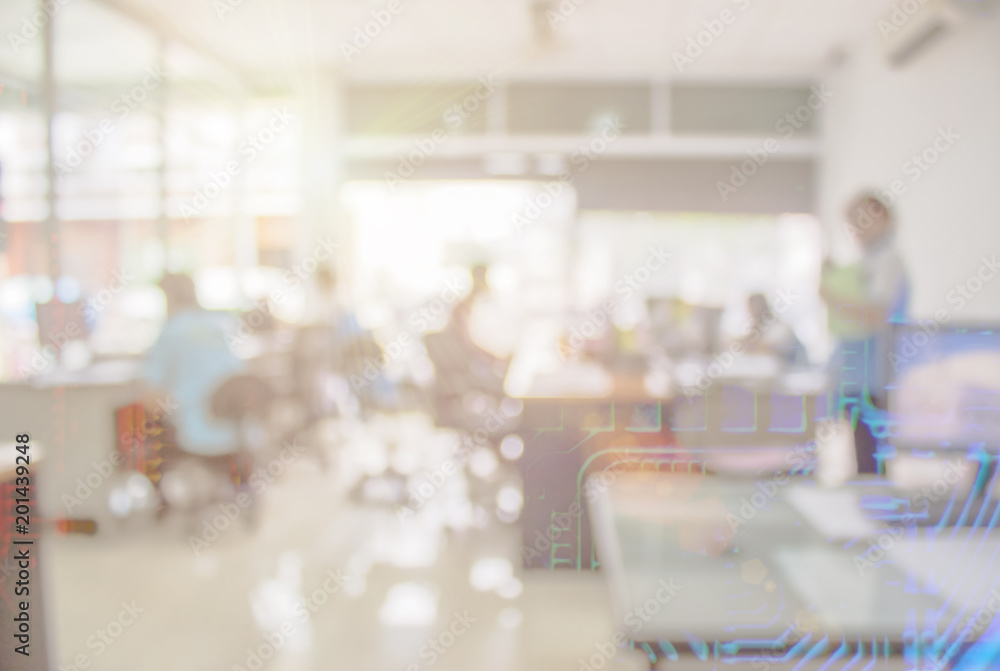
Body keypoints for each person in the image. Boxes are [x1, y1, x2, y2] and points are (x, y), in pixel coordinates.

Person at [821, 192, 909, 473]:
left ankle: (873, 499)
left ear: (882, 217)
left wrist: (830, 296)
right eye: (851, 222)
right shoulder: (866, 263)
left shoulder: (888, 262)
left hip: (874, 378)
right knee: (862, 457)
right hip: (856, 377)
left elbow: (876, 315)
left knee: (871, 461)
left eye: (862, 219)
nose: (856, 228)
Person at [143, 273, 246, 456]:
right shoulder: (217, 325)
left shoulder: (172, 331)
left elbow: (151, 398)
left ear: (169, 299)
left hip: (197, 433)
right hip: (239, 433)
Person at [739, 293, 806, 365]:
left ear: (763, 306)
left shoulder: (780, 327)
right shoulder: (756, 330)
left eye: (754, 307)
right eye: (750, 308)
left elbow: (768, 348)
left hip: (792, 368)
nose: (751, 312)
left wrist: (750, 345)